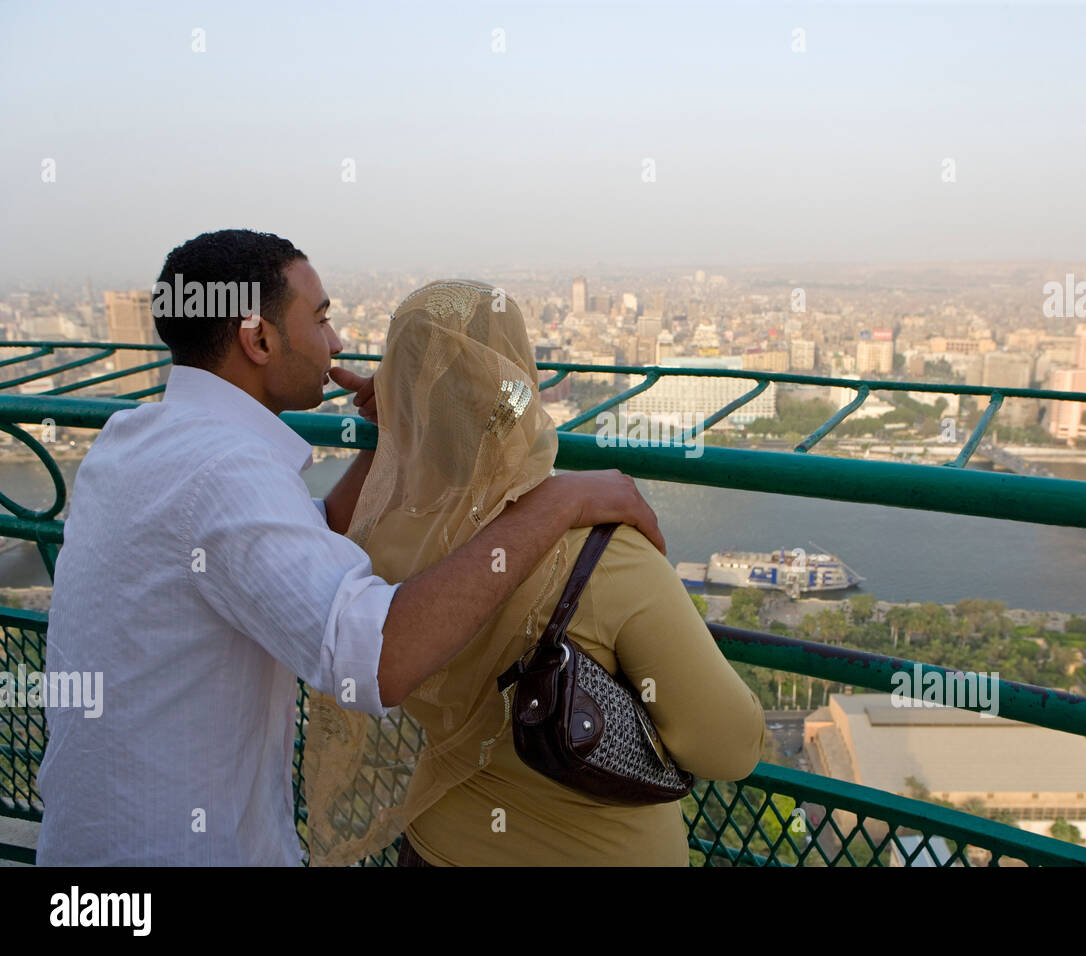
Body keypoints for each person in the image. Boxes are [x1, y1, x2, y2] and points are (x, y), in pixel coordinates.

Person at [34, 231, 664, 865]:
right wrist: (559, 504)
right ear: (259, 340)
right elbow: (377, 659)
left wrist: (386, 436)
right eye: (322, 317)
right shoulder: (225, 472)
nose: (336, 343)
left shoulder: (136, 435)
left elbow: (295, 546)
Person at [304, 279, 765, 867]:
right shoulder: (605, 554)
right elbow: (727, 748)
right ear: (520, 376)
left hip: (437, 846)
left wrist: (404, 416)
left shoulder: (379, 541)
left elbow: (345, 527)